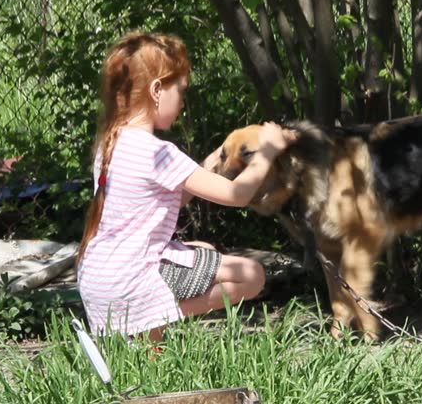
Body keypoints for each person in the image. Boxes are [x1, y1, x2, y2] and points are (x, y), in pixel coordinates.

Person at [76, 32, 295, 342]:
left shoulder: (112, 144)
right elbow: (237, 195)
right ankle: (153, 316)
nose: (182, 102)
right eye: (180, 91)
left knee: (202, 250)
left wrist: (216, 157)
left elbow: (170, 197)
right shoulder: (158, 153)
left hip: (99, 277)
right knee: (252, 276)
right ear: (156, 91)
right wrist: (268, 152)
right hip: (132, 282)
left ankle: (146, 342)